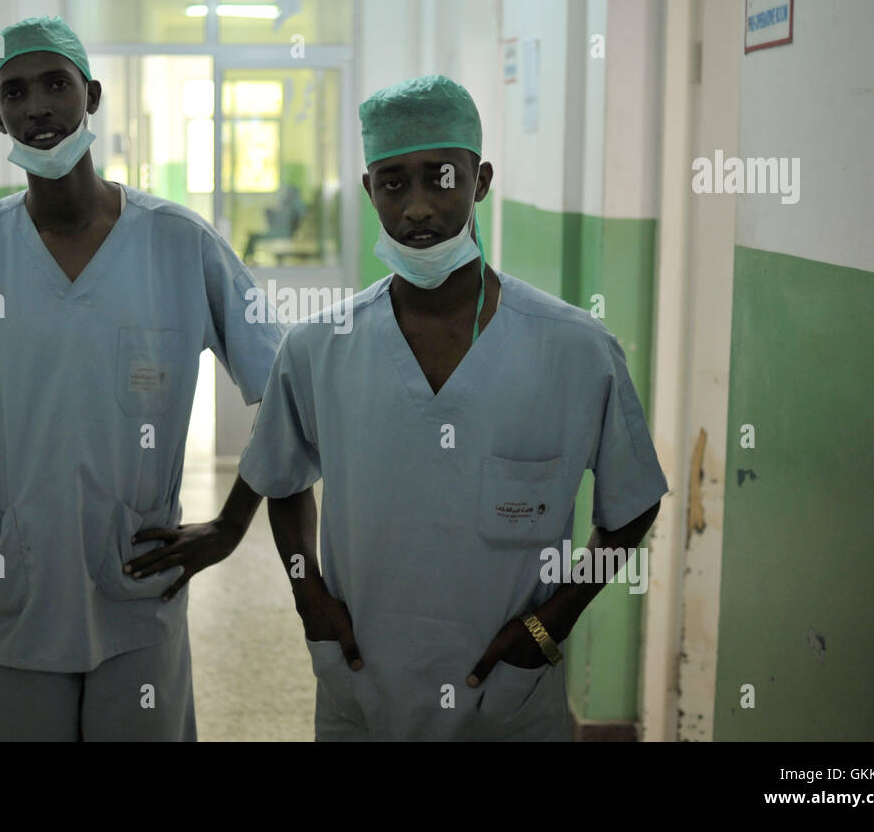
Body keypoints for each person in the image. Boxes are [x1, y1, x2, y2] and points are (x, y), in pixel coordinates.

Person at [0, 15, 283, 741]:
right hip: (10, 596)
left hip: (136, 590)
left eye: (54, 84)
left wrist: (232, 523)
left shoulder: (179, 244)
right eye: (15, 91)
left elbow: (282, 385)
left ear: (91, 95)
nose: (36, 105)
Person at [236, 74, 670, 741]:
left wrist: (555, 620)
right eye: (392, 182)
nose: (416, 207)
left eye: (440, 178)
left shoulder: (575, 350)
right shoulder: (319, 348)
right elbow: (282, 481)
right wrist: (308, 595)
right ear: (368, 190)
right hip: (365, 686)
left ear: (481, 179)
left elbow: (635, 498)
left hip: (508, 696)